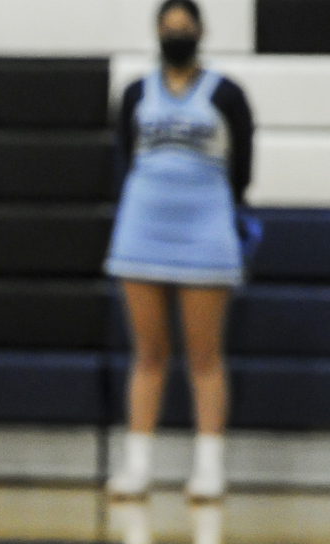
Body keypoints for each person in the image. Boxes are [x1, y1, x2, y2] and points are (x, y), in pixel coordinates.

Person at [105, 0, 254, 501]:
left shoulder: (227, 93)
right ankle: (137, 467)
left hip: (206, 233)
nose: (177, 35)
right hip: (141, 231)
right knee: (148, 354)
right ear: (155, 33)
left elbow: (243, 168)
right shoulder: (135, 93)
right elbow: (124, 156)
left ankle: (209, 468)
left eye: (185, 27)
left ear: (201, 31)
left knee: (205, 357)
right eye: (168, 28)